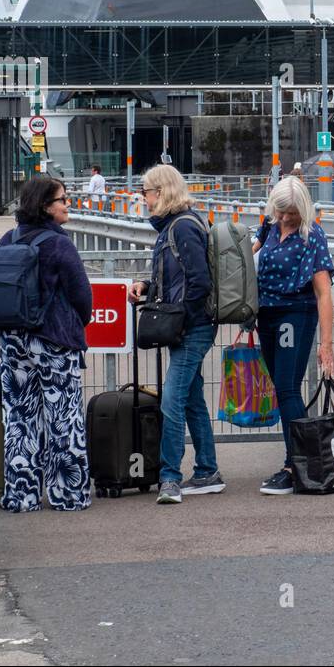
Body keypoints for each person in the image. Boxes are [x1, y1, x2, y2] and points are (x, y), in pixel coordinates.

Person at [0, 175, 94, 512]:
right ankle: (68, 494)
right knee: (63, 417)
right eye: (62, 200)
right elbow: (82, 296)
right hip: (54, 342)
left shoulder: (9, 238)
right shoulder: (59, 244)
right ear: (45, 206)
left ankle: (21, 495)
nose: (68, 204)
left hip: (12, 342)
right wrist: (75, 322)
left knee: (20, 420)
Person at [128, 164, 223, 504]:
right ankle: (207, 470)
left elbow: (199, 282)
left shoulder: (181, 227)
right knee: (192, 398)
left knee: (171, 399)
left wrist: (181, 323)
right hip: (189, 324)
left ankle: (170, 477)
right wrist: (148, 285)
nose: (144, 198)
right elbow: (180, 280)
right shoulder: (179, 224)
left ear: (162, 192)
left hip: (191, 328)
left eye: (147, 192)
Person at [253, 176, 334, 495]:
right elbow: (250, 255)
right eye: (281, 211)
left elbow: (323, 293)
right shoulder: (269, 225)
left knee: (288, 388)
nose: (286, 218)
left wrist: (325, 345)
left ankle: (295, 464)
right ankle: (303, 460)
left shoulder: (312, 235)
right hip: (267, 314)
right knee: (282, 388)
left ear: (303, 208)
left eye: (291, 212)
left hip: (295, 313)